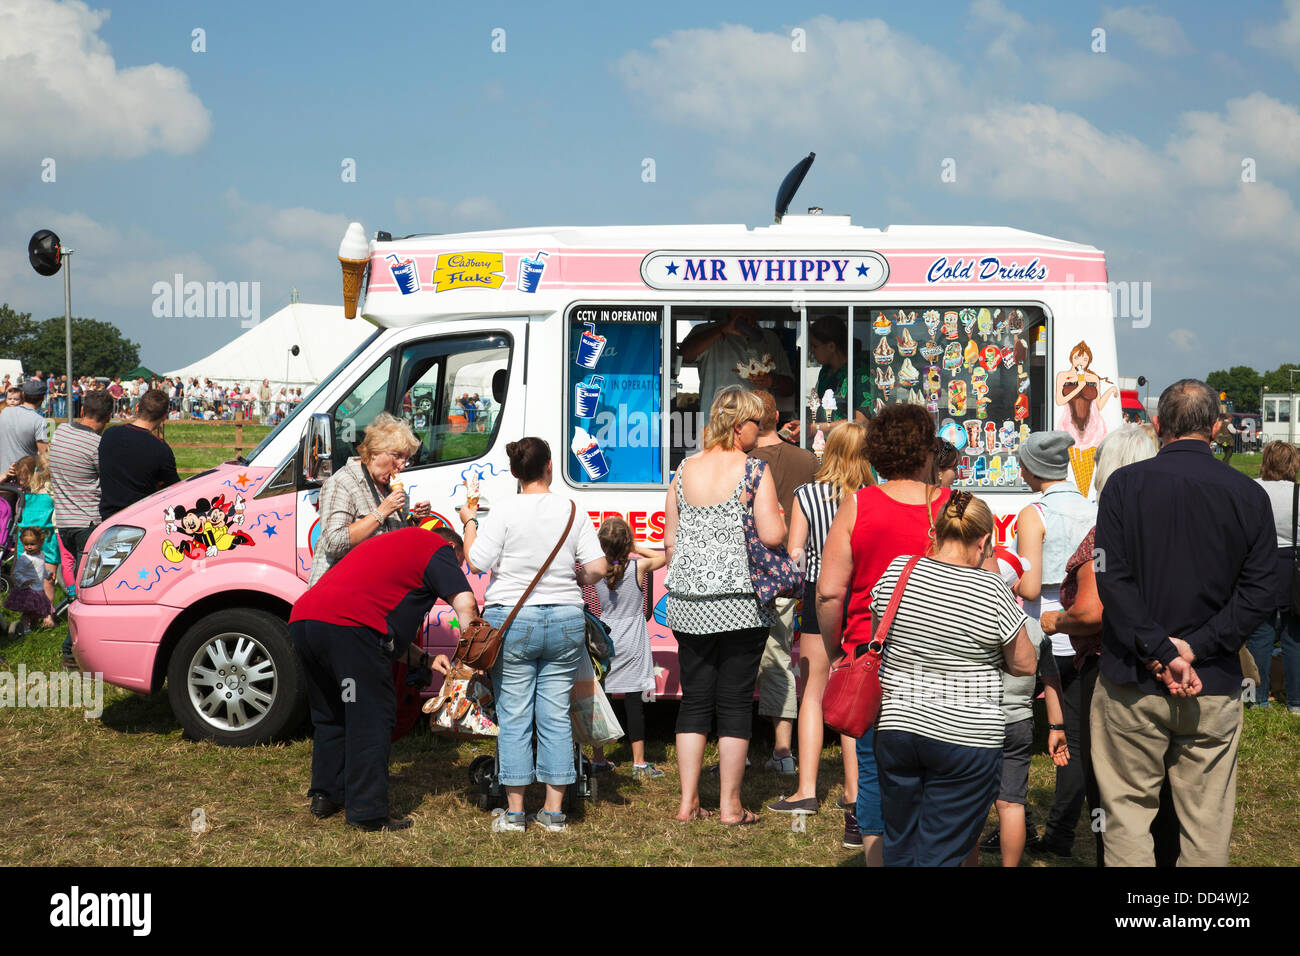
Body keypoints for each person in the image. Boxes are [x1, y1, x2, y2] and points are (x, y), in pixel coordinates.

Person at [1092, 379, 1276, 867]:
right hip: (1210, 681)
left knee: (1126, 816)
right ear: (1216, 429)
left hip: (1134, 680)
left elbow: (1112, 581)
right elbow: (1260, 593)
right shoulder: (1247, 494)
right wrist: (1187, 650)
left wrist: (1167, 650)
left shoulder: (1123, 486)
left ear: (1157, 426)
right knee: (1206, 822)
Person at [814, 403, 951, 865]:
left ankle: (879, 858)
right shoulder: (955, 507)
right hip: (947, 659)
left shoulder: (858, 504)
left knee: (874, 770)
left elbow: (829, 594)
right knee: (939, 771)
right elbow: (989, 585)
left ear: (877, 451)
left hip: (875, 654)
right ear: (928, 450)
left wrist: (837, 649)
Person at [871, 492, 1036, 866]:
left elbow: (879, 633)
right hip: (967, 737)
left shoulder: (899, 571)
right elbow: (1025, 664)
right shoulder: (992, 590)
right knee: (942, 850)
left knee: (900, 839)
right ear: (982, 542)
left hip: (899, 726)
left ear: (936, 531)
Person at [460, 437, 607, 833]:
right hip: (565, 618)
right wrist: (575, 576)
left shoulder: (505, 511)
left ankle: (514, 813)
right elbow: (596, 567)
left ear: (514, 473)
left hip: (513, 619)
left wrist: (468, 522)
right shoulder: (572, 509)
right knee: (556, 714)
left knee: (515, 716)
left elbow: (477, 561)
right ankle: (554, 812)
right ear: (549, 467)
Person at [290, 526, 475, 830]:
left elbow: (382, 635)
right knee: (371, 718)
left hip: (305, 620)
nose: (456, 572)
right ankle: (367, 812)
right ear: (453, 550)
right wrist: (470, 657)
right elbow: (465, 603)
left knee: (332, 714)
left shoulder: (393, 544)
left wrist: (426, 660)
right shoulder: (438, 548)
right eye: (459, 565)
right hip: (349, 629)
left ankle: (327, 794)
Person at [663, 385, 784, 825]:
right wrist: (783, 523)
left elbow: (671, 542)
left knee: (694, 701)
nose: (760, 430)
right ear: (738, 426)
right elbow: (771, 535)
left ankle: (687, 801)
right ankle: (731, 806)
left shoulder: (683, 469)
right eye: (755, 423)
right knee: (734, 701)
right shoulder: (754, 470)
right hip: (740, 603)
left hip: (689, 602)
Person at [1040, 423, 1159, 866]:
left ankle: (1113, 854)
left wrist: (1058, 621)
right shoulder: (1163, 526)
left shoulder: (1108, 530)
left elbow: (1092, 613)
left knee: (1106, 779)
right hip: (1163, 661)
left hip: (1110, 665)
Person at [766, 421, 874, 849]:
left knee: (813, 690)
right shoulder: (872, 496)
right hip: (862, 593)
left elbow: (795, 556)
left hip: (816, 592)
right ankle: (854, 791)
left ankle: (806, 790)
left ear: (828, 452)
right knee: (857, 688)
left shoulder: (805, 496)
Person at [1012, 429, 1096, 858]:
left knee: (1019, 733)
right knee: (1076, 740)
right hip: (1082, 632)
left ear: (1032, 469)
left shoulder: (1033, 513)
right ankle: (1062, 832)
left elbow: (1027, 586)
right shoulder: (1093, 507)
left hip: (1040, 632)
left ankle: (1018, 822)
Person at [979, 548, 1069, 867]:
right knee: (1012, 802)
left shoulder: (972, 622)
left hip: (976, 722)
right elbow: (1051, 682)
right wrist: (1056, 727)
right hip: (1018, 723)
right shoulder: (1032, 628)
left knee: (968, 801)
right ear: (1014, 587)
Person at [747, 389, 818, 775]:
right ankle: (782, 751)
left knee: (738, 662)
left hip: (747, 570)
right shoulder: (806, 458)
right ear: (776, 413)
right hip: (790, 572)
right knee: (778, 660)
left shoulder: (740, 462)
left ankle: (736, 749)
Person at [308, 413, 430, 586]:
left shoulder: (390, 488)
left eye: (407, 459)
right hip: (340, 592)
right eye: (397, 456)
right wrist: (381, 512)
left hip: (374, 593)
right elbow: (333, 543)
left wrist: (415, 519)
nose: (401, 466)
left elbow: (392, 541)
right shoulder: (343, 483)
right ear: (374, 452)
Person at [589, 515, 668, 779]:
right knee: (634, 702)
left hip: (606, 640)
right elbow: (667, 556)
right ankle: (639, 763)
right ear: (627, 545)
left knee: (602, 702)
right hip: (633, 641)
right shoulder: (638, 567)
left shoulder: (597, 570)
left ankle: (599, 760)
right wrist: (634, 545)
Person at [48, 388, 114, 666]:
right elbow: (109, 479)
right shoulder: (96, 446)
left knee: (79, 585)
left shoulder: (60, 433)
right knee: (92, 590)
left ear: (83, 410)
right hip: (88, 521)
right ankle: (71, 650)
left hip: (63, 521)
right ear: (108, 417)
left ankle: (76, 647)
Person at [1246, 440, 1300, 713]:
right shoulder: (1298, 493)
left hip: (1260, 563)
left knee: (1260, 633)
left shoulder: (1252, 488)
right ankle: (1295, 701)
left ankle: (1257, 698)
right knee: (1294, 635)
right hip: (1294, 565)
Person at [679, 308, 796, 432]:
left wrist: (773, 380)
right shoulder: (705, 332)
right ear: (729, 307)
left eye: (752, 306)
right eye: (741, 305)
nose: (747, 311)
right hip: (718, 428)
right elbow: (685, 355)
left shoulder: (769, 338)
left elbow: (790, 388)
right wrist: (722, 330)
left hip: (759, 430)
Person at [97, 389, 180, 520]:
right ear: (164, 416)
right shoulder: (161, 449)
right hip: (140, 521)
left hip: (107, 520)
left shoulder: (109, 434)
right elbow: (174, 491)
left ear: (137, 408)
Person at [1054, 340, 1118, 495]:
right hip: (1070, 427)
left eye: (1085, 359)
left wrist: (1111, 391)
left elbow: (1099, 405)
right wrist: (1080, 387)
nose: (1081, 362)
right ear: (1071, 358)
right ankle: (1077, 499)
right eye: (1077, 358)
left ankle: (1085, 500)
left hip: (1092, 428)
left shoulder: (1093, 379)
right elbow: (1059, 400)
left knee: (1088, 474)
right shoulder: (1063, 376)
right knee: (1073, 470)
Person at [4, 454, 59, 628]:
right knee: (25, 581)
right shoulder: (21, 492)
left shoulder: (50, 490)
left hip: (47, 540)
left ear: (35, 475)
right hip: (25, 541)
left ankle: (47, 615)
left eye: (23, 478)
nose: (20, 482)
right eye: (18, 479)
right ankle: (28, 616)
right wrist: (6, 476)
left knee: (48, 580)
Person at [807, 314, 874, 436]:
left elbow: (861, 421)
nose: (811, 350)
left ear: (831, 346)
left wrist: (816, 428)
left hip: (849, 446)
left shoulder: (860, 373)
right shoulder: (825, 371)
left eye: (815, 346)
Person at [5, 529, 54, 636]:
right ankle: (25, 628)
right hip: (28, 589)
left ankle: (34, 626)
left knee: (37, 611)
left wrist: (48, 574)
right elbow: (16, 572)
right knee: (28, 611)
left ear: (40, 543)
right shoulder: (24, 558)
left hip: (38, 589)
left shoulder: (41, 555)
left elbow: (41, 568)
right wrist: (24, 580)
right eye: (26, 544)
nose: (29, 547)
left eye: (32, 544)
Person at [0, 379, 49, 478]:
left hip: (3, 476)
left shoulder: (5, 412)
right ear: (43, 398)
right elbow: (44, 455)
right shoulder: (39, 420)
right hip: (25, 478)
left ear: (22, 394)